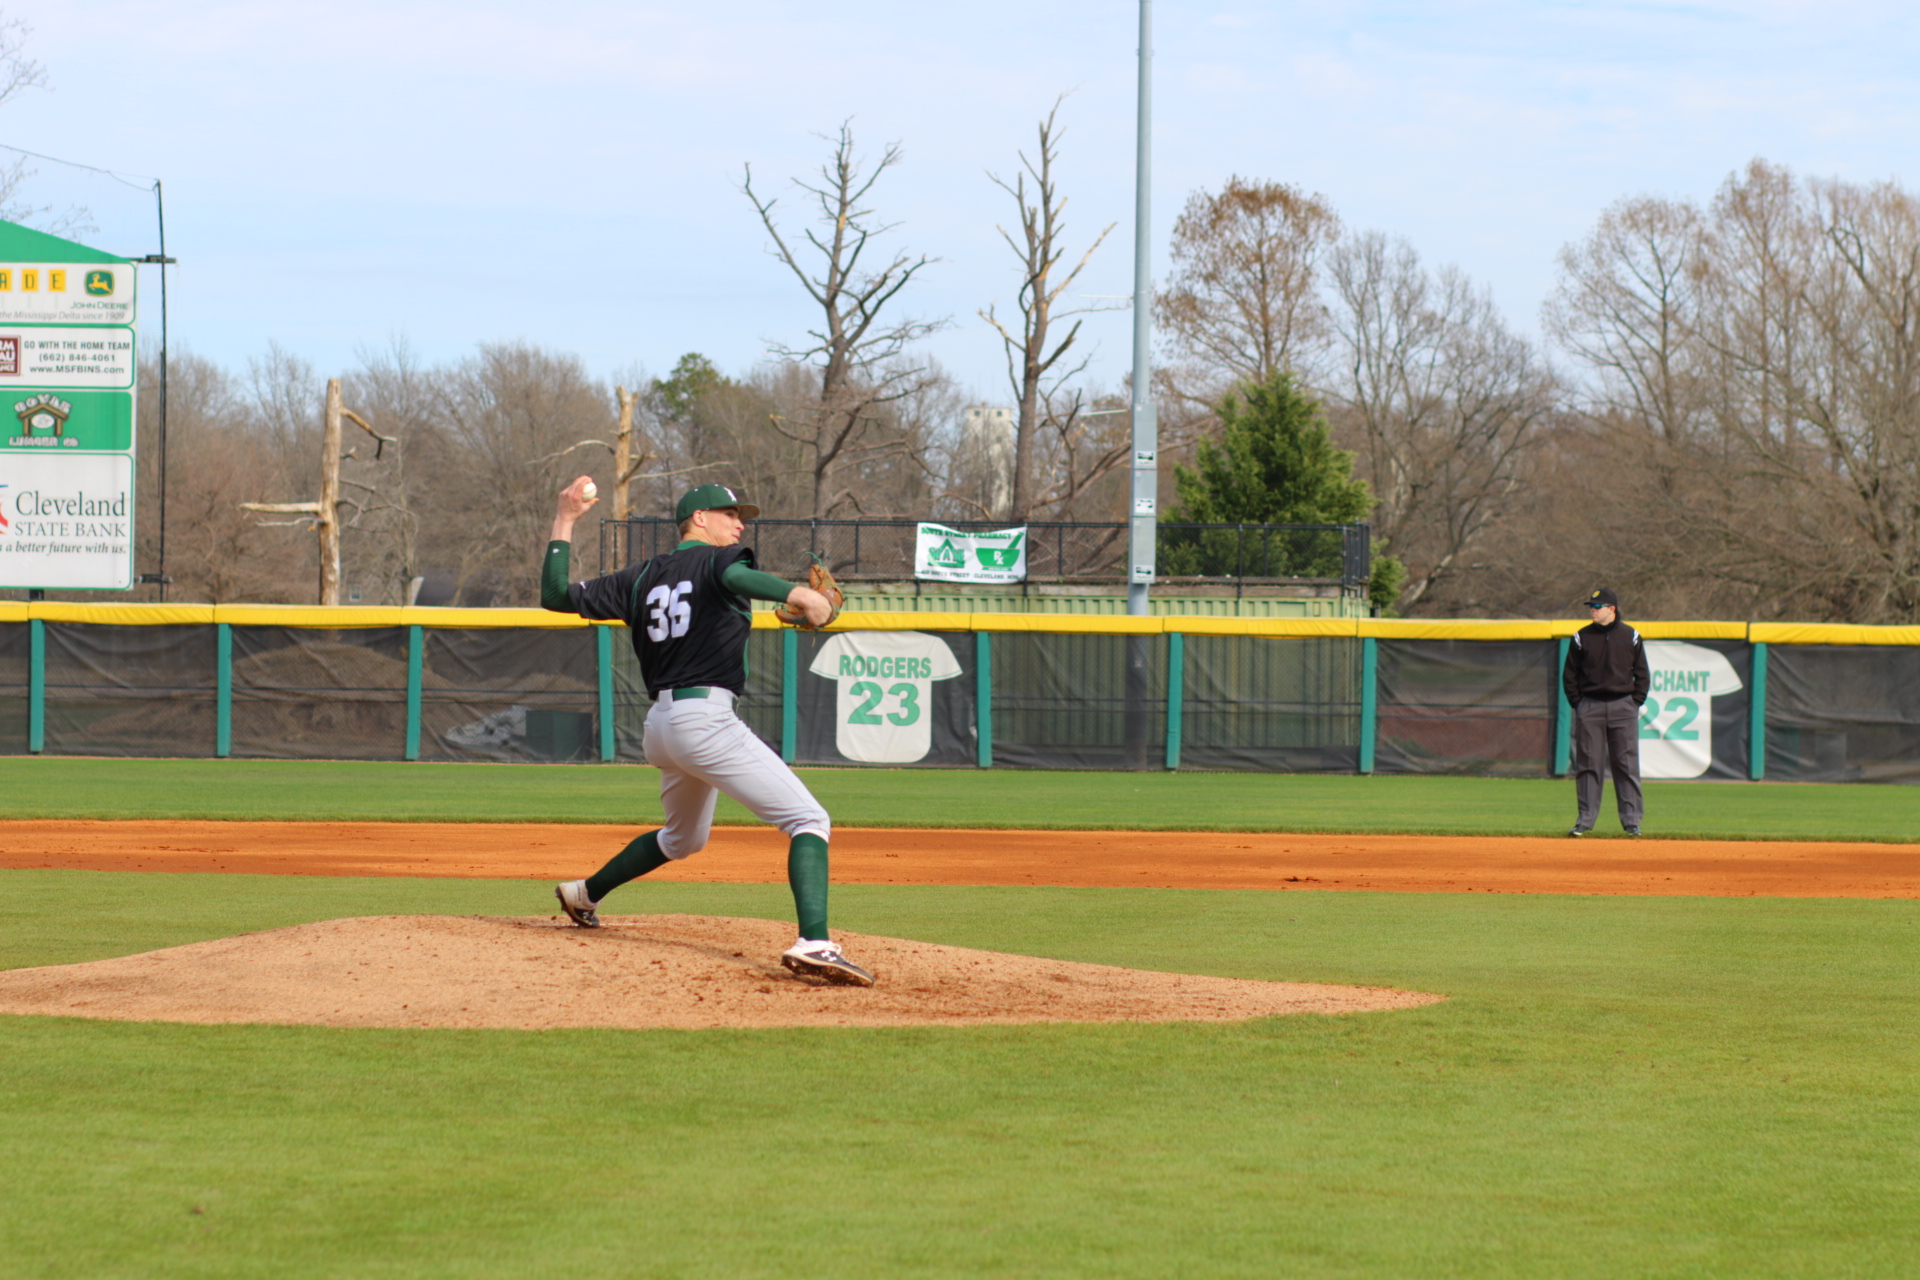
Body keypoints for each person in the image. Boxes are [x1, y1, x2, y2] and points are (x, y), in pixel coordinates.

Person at [538, 476, 874, 986]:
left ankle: (584, 893)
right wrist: (800, 593)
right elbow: (738, 579)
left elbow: (557, 595)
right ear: (698, 520)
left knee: (682, 838)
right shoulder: (720, 562)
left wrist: (564, 520)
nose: (739, 524)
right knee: (809, 819)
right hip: (704, 721)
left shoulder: (639, 577)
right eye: (729, 514)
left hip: (661, 727)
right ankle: (815, 944)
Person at [1562, 587, 1650, 837]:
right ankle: (1585, 820)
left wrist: (1635, 701)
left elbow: (1642, 673)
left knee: (1626, 764)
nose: (1592, 609)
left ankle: (1632, 821)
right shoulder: (1581, 637)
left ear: (1612, 609)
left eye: (1597, 606)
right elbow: (1570, 675)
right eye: (1591, 606)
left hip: (1623, 705)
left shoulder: (1630, 635)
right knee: (1589, 765)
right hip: (1590, 705)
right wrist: (1578, 703)